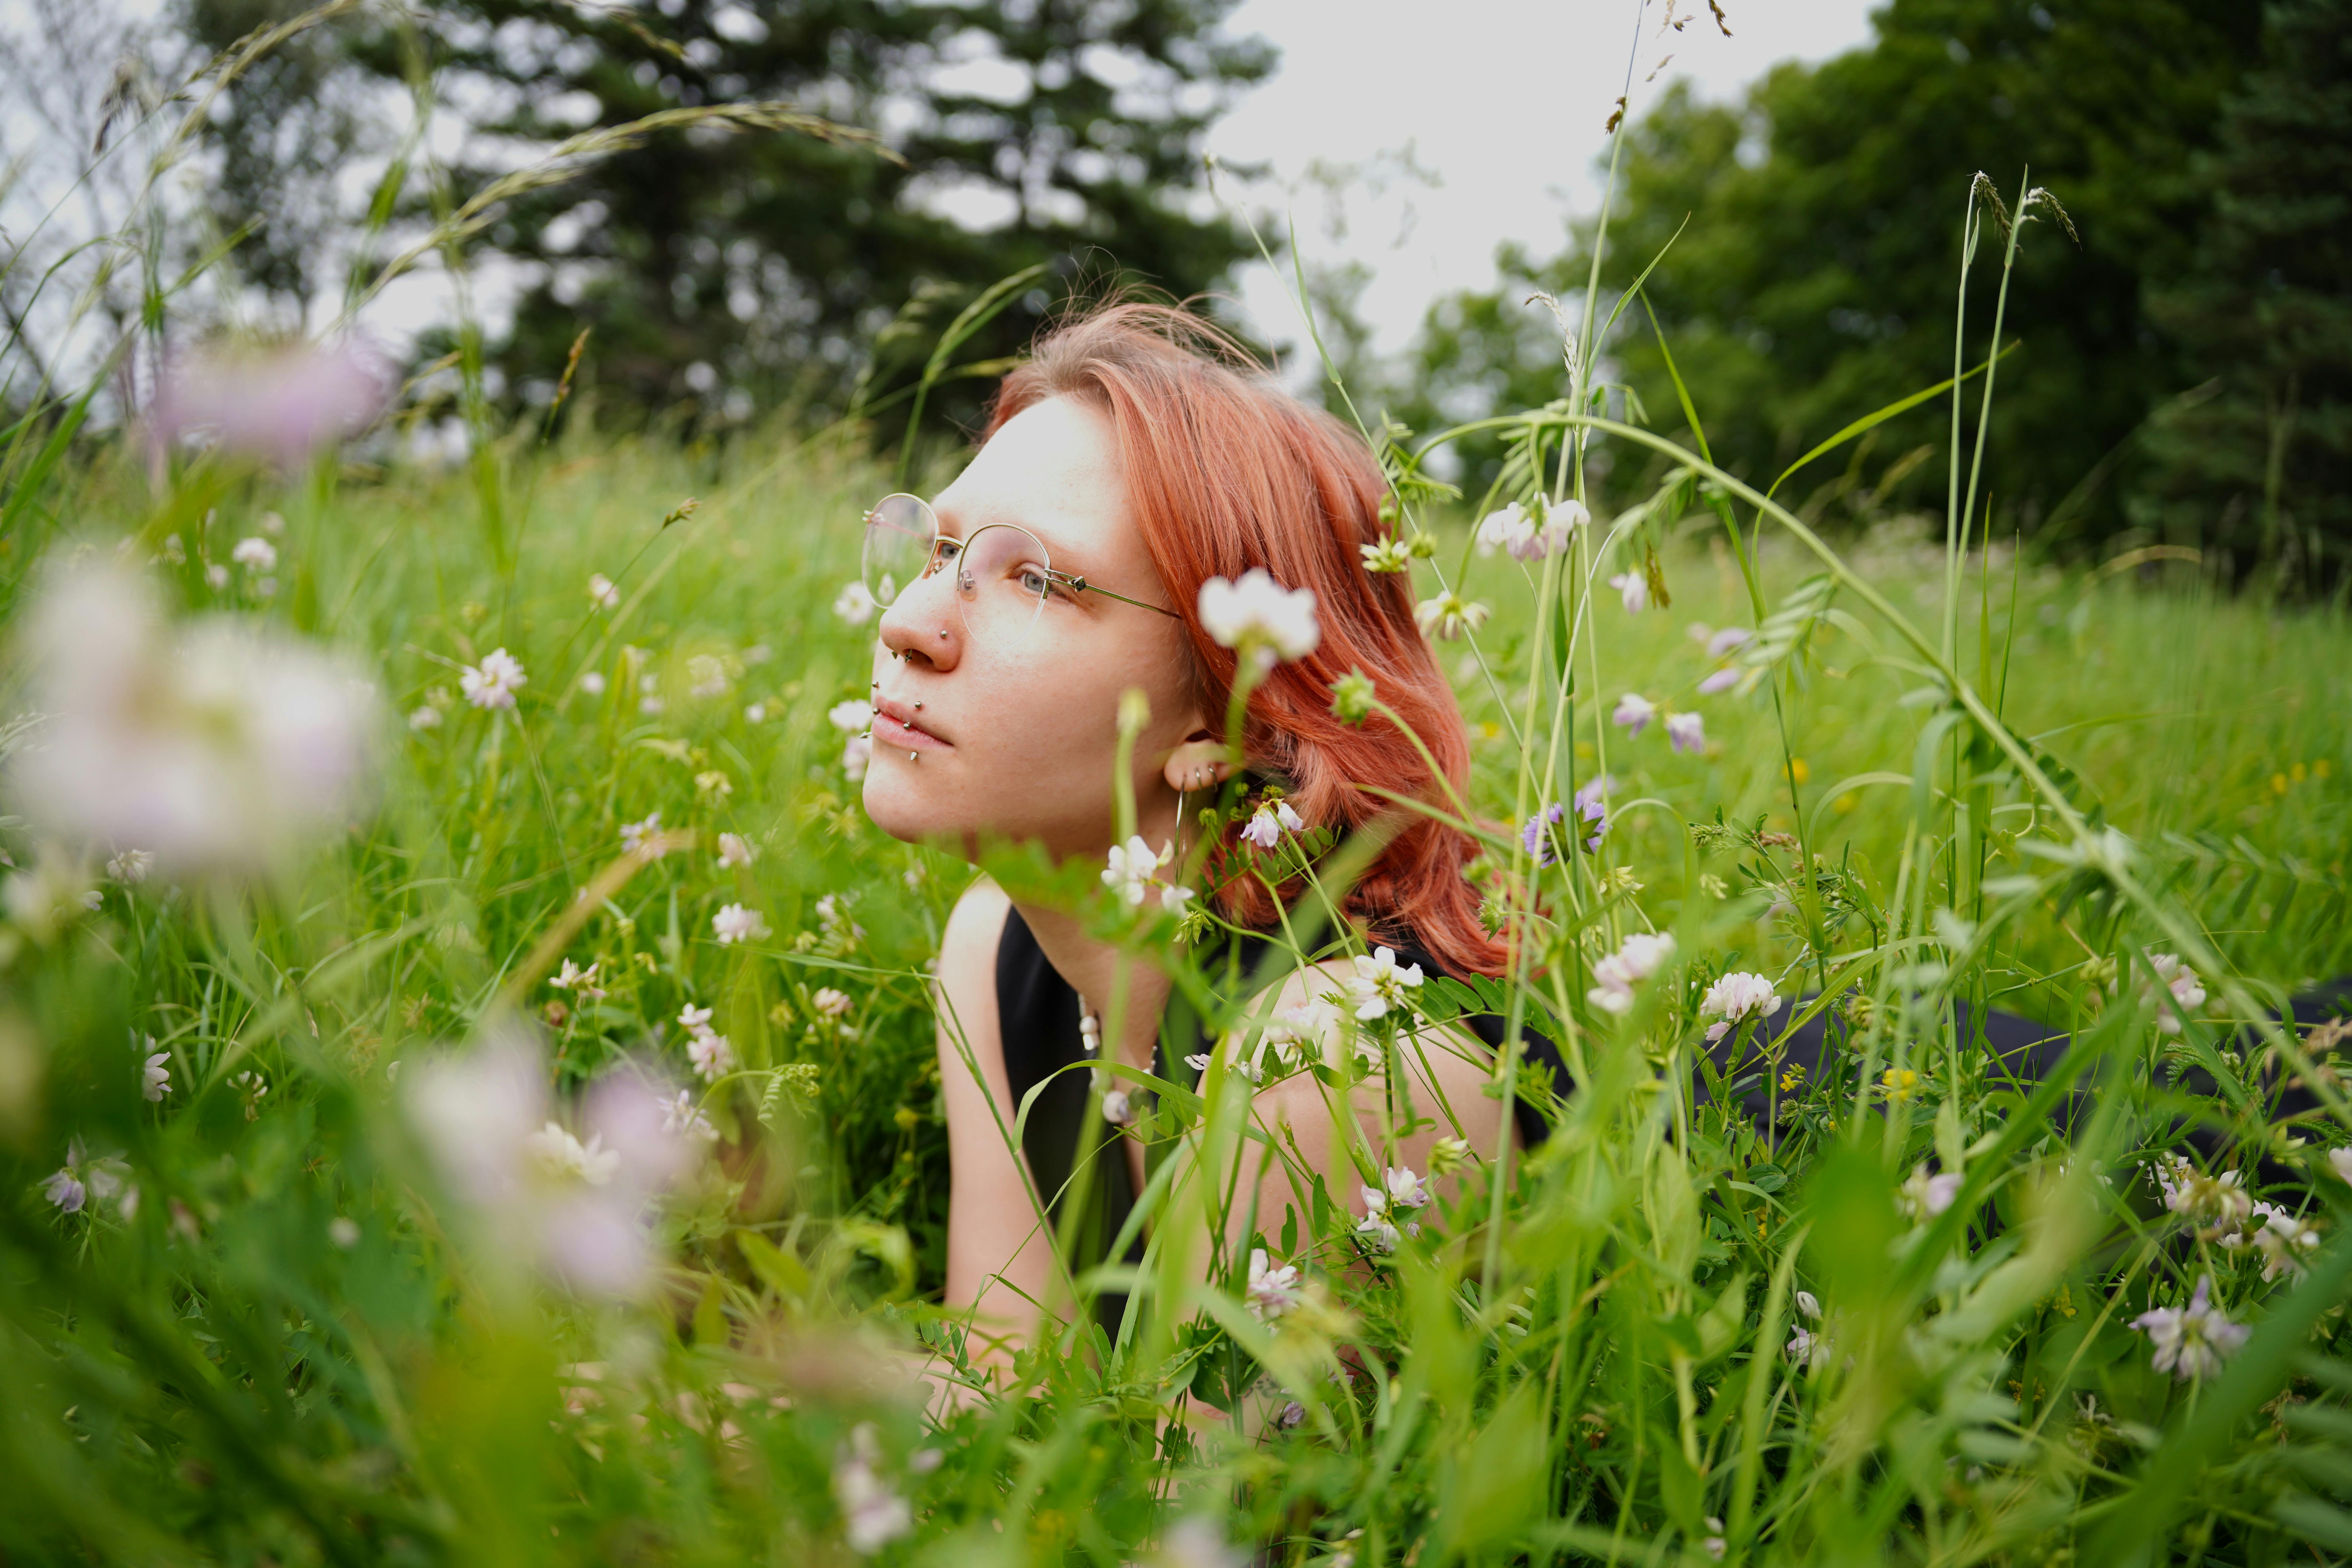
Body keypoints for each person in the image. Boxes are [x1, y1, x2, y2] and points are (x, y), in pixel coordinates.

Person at [855, 302, 1566, 1383]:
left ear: (1222, 709)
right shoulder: (996, 947)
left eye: (1034, 577)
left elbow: (1162, 1519)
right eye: (942, 549)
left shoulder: (1344, 1056)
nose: (912, 621)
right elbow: (1003, 1384)